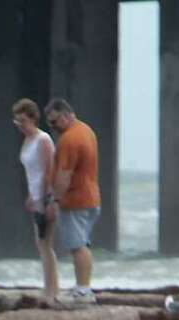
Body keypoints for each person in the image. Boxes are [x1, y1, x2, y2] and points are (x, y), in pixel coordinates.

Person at [44, 97, 100, 304]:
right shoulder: (86, 130)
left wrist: (54, 200)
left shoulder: (69, 139)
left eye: (55, 121)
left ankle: (83, 290)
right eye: (49, 123)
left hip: (76, 200)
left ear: (67, 116)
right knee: (81, 244)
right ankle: (81, 287)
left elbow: (64, 175)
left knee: (78, 246)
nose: (52, 127)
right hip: (91, 197)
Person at [12, 98, 59, 305]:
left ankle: (52, 289)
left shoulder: (43, 140)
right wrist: (31, 196)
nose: (21, 125)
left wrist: (48, 199)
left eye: (23, 120)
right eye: (17, 121)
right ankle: (48, 286)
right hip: (36, 196)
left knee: (46, 243)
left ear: (33, 118)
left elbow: (49, 170)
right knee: (40, 244)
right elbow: (32, 172)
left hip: (46, 197)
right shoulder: (27, 141)